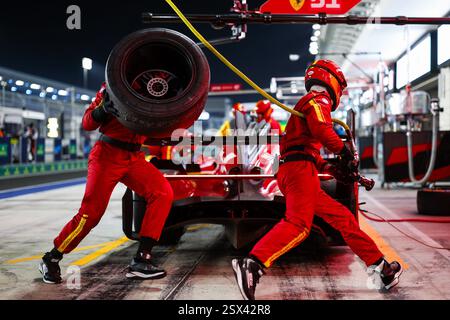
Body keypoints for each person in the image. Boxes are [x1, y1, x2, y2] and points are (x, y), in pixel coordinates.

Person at [232, 60, 402, 300]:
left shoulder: (307, 107)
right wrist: (343, 152)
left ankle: (380, 266)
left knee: (343, 219)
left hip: (301, 170)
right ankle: (252, 263)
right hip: (299, 172)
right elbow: (323, 130)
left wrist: (331, 168)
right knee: (298, 224)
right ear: (333, 82)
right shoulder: (317, 100)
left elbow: (305, 149)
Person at [39, 83, 174, 284]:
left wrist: (172, 136)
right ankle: (51, 258)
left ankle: (141, 260)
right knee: (91, 214)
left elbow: (153, 133)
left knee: (163, 193)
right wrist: (102, 110)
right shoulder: (113, 86)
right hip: (106, 155)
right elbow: (87, 123)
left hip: (134, 157)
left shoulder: (159, 92)